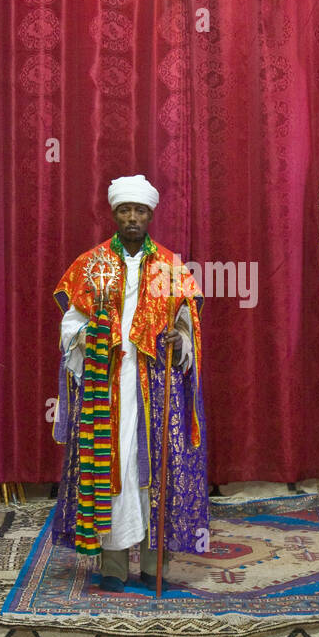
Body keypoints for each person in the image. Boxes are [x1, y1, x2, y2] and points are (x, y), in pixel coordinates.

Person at [51, 175, 209, 593]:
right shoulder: (92, 264)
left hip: (155, 383)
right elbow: (71, 318)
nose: (133, 217)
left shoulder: (169, 266)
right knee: (112, 463)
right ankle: (114, 566)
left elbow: (187, 317)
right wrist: (87, 338)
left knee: (157, 466)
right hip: (107, 381)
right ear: (115, 214)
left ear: (151, 215)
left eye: (139, 211)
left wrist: (183, 336)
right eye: (125, 210)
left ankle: (156, 563)